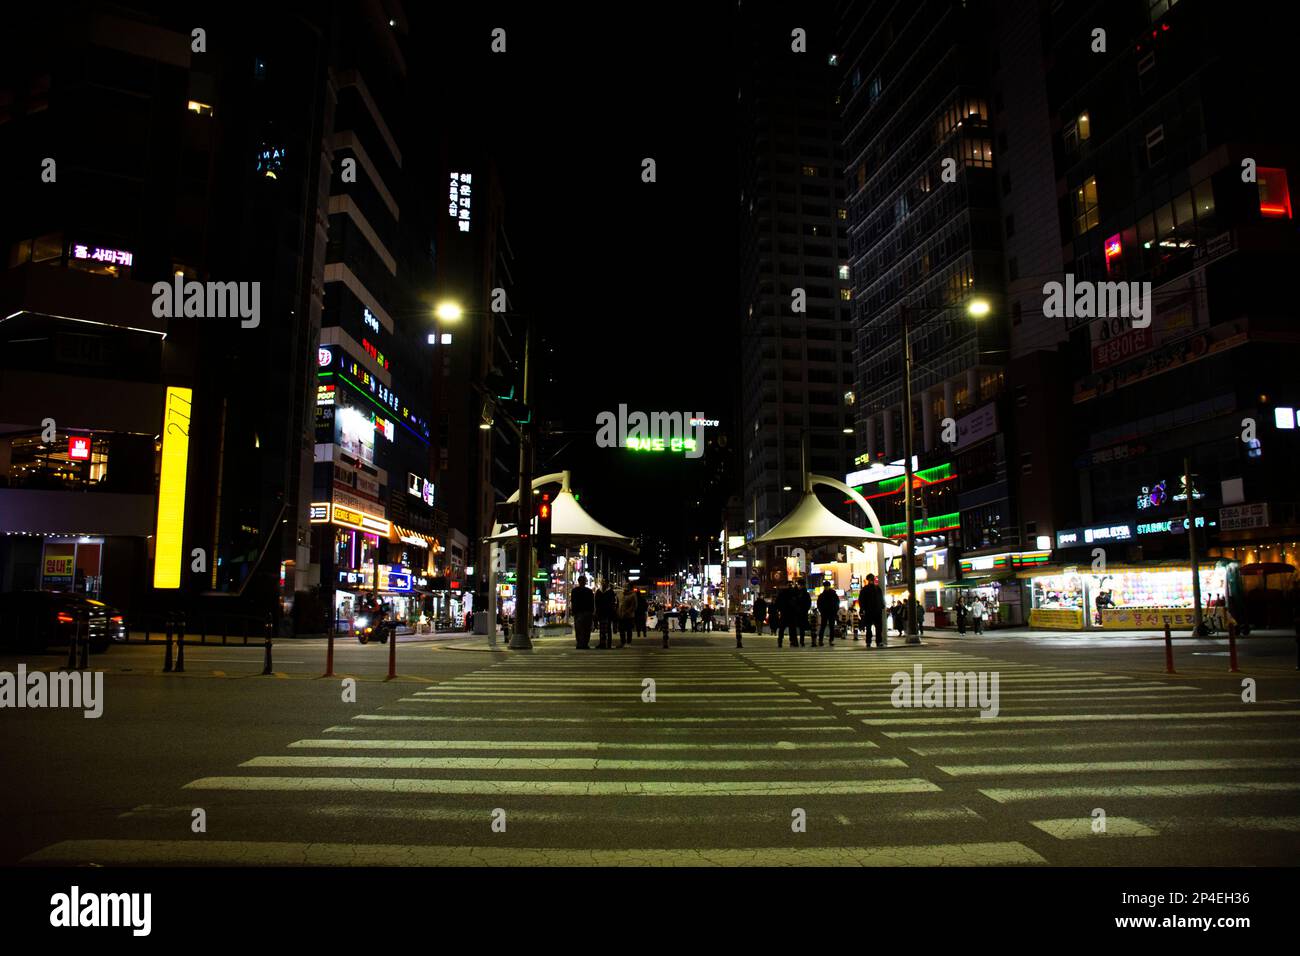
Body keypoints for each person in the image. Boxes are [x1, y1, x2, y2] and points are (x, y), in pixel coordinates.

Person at [858, 574, 886, 647]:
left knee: (873, 627)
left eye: (872, 579)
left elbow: (861, 600)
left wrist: (862, 608)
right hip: (872, 610)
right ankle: (874, 641)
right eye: (871, 579)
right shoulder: (874, 589)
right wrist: (882, 606)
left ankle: (872, 641)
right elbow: (862, 600)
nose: (871, 580)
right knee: (873, 627)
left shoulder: (866, 589)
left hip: (872, 610)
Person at [571, 575, 595, 649]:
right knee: (586, 629)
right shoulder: (589, 591)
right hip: (587, 612)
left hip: (579, 613)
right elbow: (592, 603)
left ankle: (580, 643)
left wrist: (573, 611)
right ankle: (585, 643)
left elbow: (573, 602)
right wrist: (592, 612)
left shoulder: (574, 591)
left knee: (579, 629)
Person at [595, 579, 617, 649]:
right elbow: (596, 603)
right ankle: (602, 643)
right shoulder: (598, 592)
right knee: (602, 629)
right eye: (602, 582)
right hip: (601, 613)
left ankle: (608, 643)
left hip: (608, 613)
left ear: (607, 584)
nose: (603, 584)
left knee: (608, 629)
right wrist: (596, 612)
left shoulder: (610, 592)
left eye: (605, 582)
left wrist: (613, 611)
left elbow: (613, 603)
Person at [816, 582, 839, 646]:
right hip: (825, 613)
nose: (826, 587)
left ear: (829, 586)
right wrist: (821, 611)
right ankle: (821, 640)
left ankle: (831, 640)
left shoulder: (833, 594)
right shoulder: (822, 595)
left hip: (831, 613)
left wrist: (835, 611)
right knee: (823, 627)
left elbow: (837, 603)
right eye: (825, 586)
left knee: (831, 627)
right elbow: (819, 604)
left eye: (827, 586)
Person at [794, 579, 812, 647]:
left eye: (801, 585)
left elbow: (808, 603)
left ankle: (801, 641)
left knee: (802, 629)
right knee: (795, 628)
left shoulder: (805, 594)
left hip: (802, 613)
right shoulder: (795, 593)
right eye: (799, 585)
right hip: (796, 613)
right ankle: (795, 641)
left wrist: (805, 610)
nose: (800, 586)